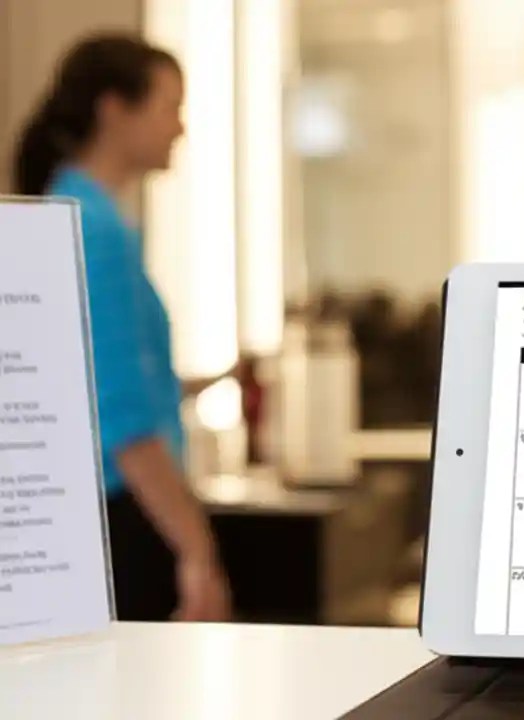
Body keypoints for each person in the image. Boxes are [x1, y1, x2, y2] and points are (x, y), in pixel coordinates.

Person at [11, 35, 230, 621]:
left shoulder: (75, 213)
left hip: (115, 512)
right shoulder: (91, 229)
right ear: (114, 109)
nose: (180, 128)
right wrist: (197, 550)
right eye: (169, 107)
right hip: (125, 517)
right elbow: (123, 416)